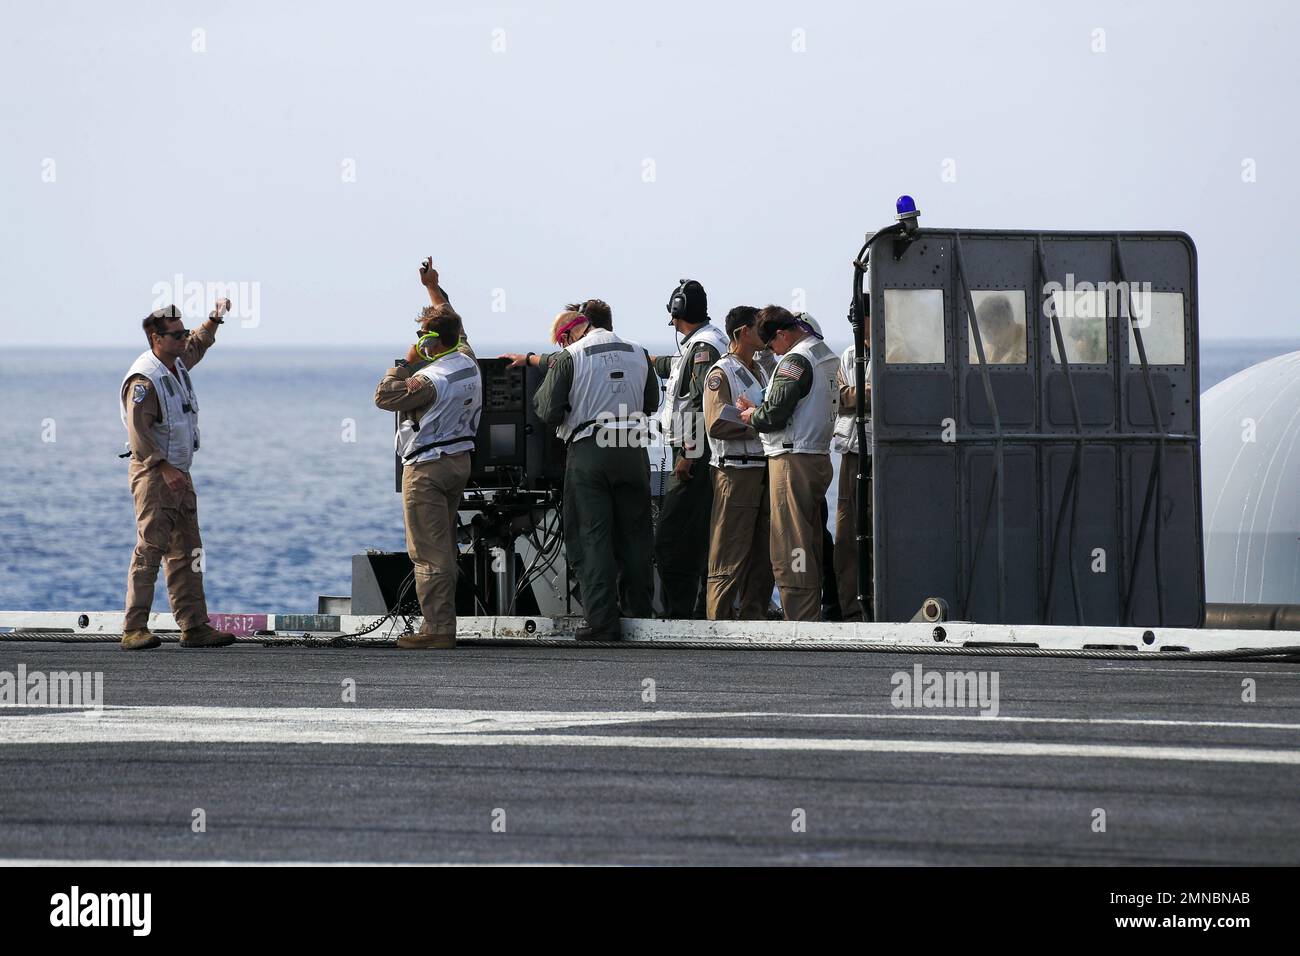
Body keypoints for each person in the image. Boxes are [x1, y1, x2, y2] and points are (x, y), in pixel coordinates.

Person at [373, 261, 483, 649]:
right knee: (444, 546)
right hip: (459, 462)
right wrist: (433, 288)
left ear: (430, 343)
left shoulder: (430, 380)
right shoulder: (466, 360)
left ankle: (437, 630)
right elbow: (457, 326)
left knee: (427, 553)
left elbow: (384, 397)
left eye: (422, 335)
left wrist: (405, 362)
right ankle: (442, 621)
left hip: (427, 469)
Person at [534, 311, 659, 640]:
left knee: (593, 537)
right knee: (636, 535)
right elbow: (651, 402)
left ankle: (603, 623)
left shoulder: (569, 357)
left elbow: (547, 410)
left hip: (591, 450)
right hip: (633, 448)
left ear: (569, 333)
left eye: (561, 339)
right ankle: (640, 616)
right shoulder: (639, 352)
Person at [119, 301, 237, 650]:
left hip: (179, 474)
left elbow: (198, 344)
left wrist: (215, 319)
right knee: (150, 549)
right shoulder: (145, 379)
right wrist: (165, 468)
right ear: (156, 338)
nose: (185, 338)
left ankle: (194, 625)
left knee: (187, 550)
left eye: (184, 332)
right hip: (155, 475)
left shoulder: (176, 363)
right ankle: (133, 628)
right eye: (177, 334)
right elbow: (140, 433)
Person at [738, 306, 838, 621]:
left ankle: (799, 619)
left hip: (791, 460)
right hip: (818, 456)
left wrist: (752, 414)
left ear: (782, 335)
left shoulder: (796, 360)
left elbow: (775, 415)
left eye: (771, 346)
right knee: (810, 539)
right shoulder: (826, 355)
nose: (773, 353)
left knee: (789, 546)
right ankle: (812, 612)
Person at [650, 279, 729, 618]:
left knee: (673, 539)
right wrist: (648, 359)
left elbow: (699, 402)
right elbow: (677, 367)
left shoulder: (703, 348)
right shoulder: (707, 342)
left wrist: (689, 452)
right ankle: (698, 609)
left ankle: (680, 616)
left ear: (678, 313)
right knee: (699, 534)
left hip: (697, 457)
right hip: (704, 455)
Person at [702, 306, 774, 620]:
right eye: (760, 327)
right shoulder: (721, 373)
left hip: (759, 467)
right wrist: (757, 424)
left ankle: (753, 615)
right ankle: (717, 619)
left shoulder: (758, 370)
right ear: (743, 332)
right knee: (729, 547)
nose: (766, 334)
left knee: (762, 550)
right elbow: (715, 423)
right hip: (734, 469)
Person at [832, 334, 872, 621]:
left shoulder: (896, 351)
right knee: (846, 538)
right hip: (851, 451)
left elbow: (884, 393)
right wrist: (860, 393)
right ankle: (852, 611)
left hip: (880, 452)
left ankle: (879, 607)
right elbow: (836, 394)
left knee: (876, 536)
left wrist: (853, 394)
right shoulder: (848, 354)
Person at [500, 298, 612, 370]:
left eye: (563, 341)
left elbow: (563, 359)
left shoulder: (578, 360)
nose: (565, 347)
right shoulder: (626, 352)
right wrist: (529, 359)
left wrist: (528, 359)